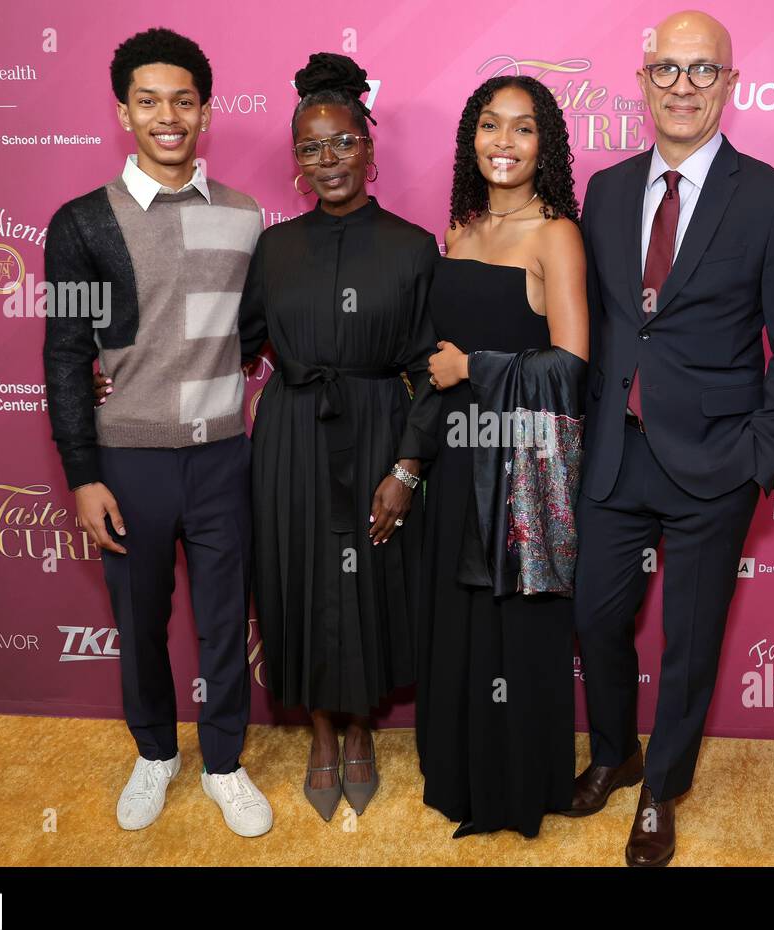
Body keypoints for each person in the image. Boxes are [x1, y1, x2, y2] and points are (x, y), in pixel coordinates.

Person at [567, 10, 774, 865]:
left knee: (691, 642)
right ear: (642, 83)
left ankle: (661, 787)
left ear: (729, 84)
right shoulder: (604, 190)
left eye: (702, 71)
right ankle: (615, 749)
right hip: (615, 451)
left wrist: (761, 458)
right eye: (667, 70)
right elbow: (604, 327)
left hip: (716, 462)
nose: (683, 86)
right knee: (595, 618)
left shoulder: (771, 198)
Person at [43, 27, 272, 837]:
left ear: (204, 112)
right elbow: (67, 352)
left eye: (182, 100)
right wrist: (82, 473)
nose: (166, 116)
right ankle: (154, 754)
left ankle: (224, 763)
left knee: (223, 617)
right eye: (148, 101)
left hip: (221, 456)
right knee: (138, 622)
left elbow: (251, 331)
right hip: (127, 462)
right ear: (123, 112)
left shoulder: (246, 217)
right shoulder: (79, 225)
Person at [238, 53, 441, 820]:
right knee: (298, 579)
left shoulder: (414, 248)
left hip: (380, 432)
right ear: (297, 161)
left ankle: (361, 729)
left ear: (369, 145)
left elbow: (434, 367)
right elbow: (235, 344)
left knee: (369, 582)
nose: (328, 160)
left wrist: (410, 465)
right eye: (311, 148)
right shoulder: (275, 248)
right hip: (291, 436)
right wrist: (121, 365)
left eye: (342, 142)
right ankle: (321, 733)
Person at [418, 75, 589, 838]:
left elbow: (571, 365)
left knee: (514, 626)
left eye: (523, 130)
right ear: (472, 138)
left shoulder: (556, 233)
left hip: (521, 468)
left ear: (544, 146)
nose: (505, 143)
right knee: (458, 619)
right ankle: (461, 772)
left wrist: (474, 367)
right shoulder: (459, 229)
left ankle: (517, 783)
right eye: (491, 126)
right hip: (457, 458)